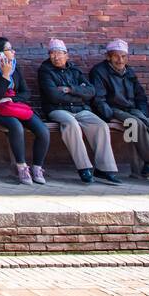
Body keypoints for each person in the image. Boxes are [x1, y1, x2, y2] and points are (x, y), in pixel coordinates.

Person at [38, 38, 121, 186]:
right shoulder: (45, 71)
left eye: (59, 53)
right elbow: (54, 96)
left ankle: (104, 169)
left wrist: (70, 89)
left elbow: (90, 91)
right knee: (72, 125)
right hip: (57, 110)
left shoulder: (75, 70)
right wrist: (79, 95)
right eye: (52, 53)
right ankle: (84, 168)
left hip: (81, 110)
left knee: (101, 125)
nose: (55, 57)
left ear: (66, 55)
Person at [91, 39, 149, 180]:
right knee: (133, 125)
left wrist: (142, 114)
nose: (120, 60)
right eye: (116, 56)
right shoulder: (99, 71)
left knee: (148, 125)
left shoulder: (129, 71)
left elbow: (140, 96)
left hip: (130, 108)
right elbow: (99, 99)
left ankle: (145, 168)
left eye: (123, 56)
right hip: (113, 109)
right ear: (108, 57)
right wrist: (109, 116)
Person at [0, 36, 49, 185]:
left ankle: (37, 168)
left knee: (43, 131)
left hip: (15, 107)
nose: (13, 52)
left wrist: (12, 99)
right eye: (9, 49)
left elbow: (26, 93)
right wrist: (5, 74)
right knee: (15, 126)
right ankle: (22, 167)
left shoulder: (15, 66)